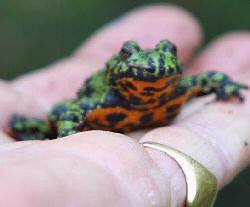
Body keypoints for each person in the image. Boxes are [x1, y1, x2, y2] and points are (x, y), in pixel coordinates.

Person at [0, 4, 250, 206]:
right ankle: (37, 129)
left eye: (168, 52)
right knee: (59, 112)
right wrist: (68, 139)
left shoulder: (180, 88)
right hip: (111, 115)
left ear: (174, 65)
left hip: (141, 117)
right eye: (127, 54)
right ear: (115, 67)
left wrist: (225, 87)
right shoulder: (105, 97)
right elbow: (70, 114)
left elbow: (211, 78)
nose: (150, 66)